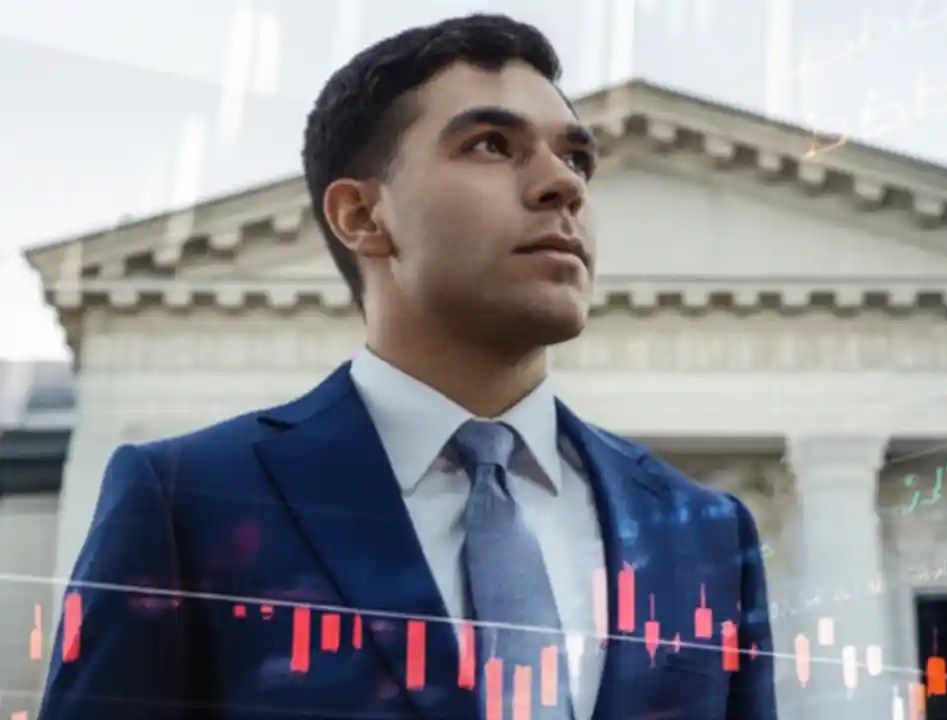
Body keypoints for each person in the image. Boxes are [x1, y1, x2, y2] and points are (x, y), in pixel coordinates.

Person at [38, 12, 776, 720]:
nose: (566, 185)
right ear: (362, 216)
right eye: (491, 144)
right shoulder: (186, 503)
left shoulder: (707, 535)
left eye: (576, 157)